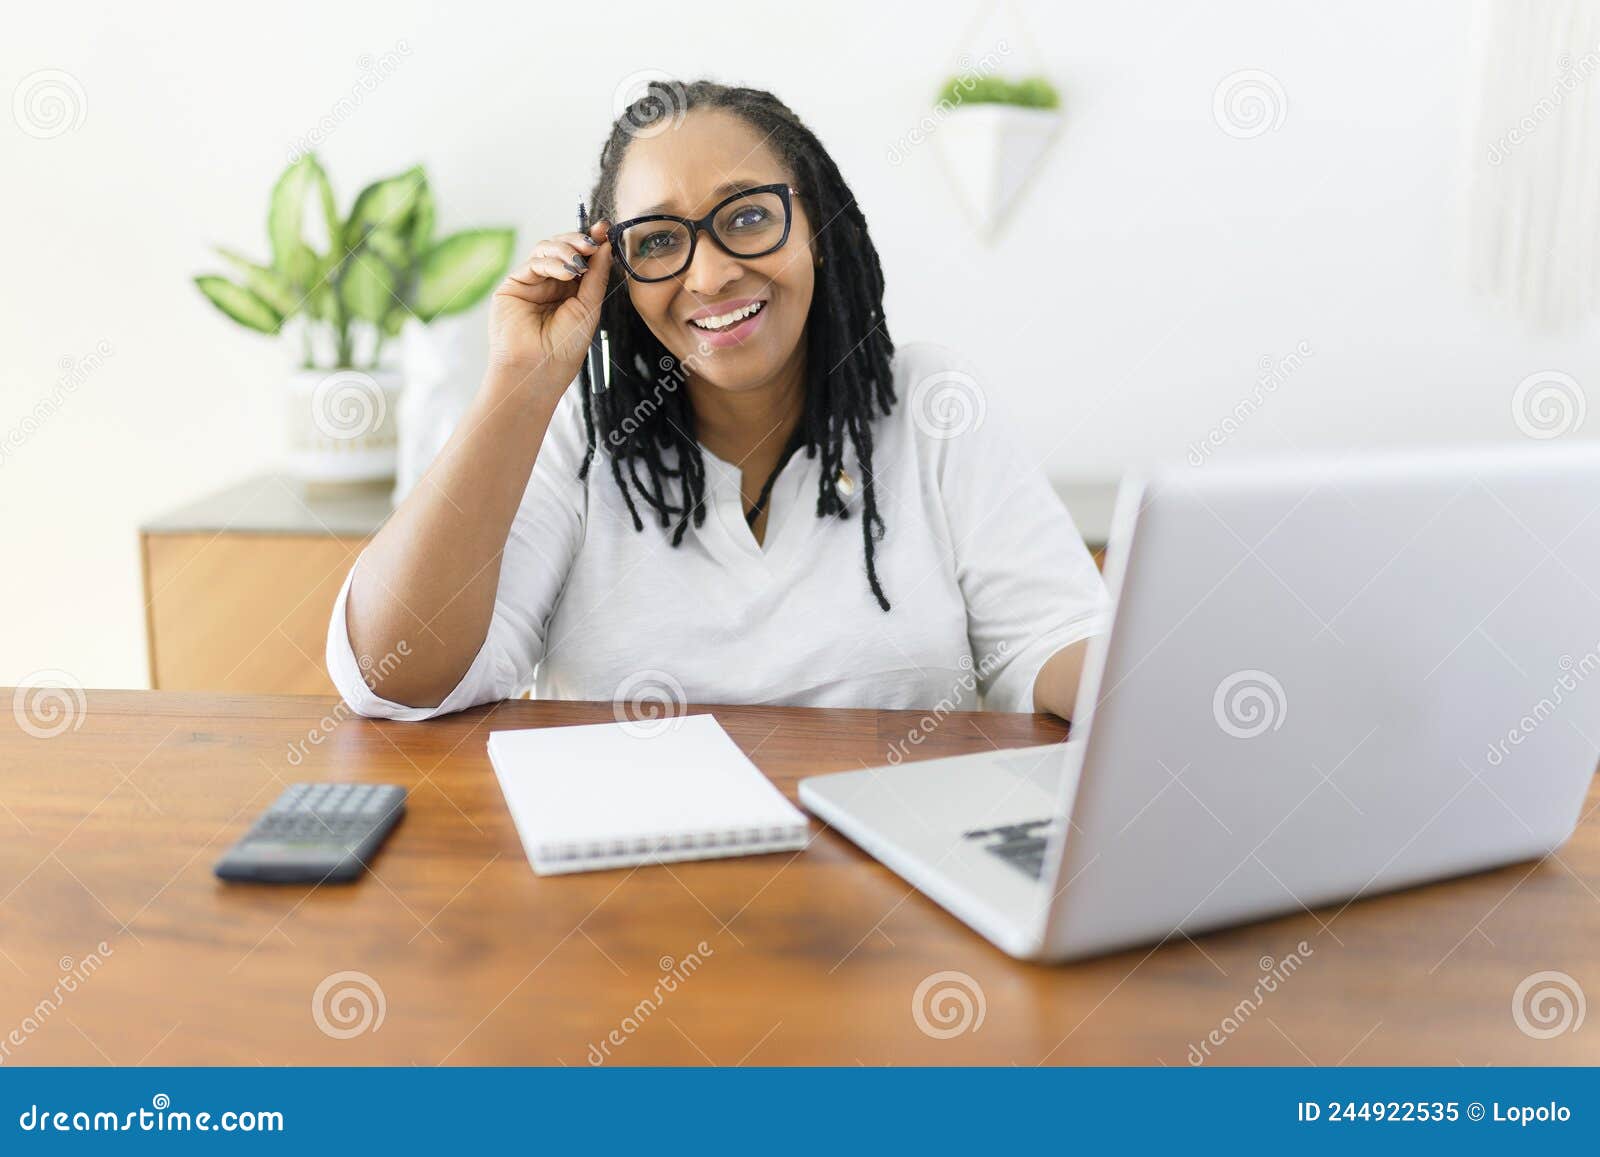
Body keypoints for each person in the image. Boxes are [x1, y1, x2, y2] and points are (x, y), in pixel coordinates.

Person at [328, 80, 1109, 722]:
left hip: (889, 889)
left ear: (819, 227)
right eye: (659, 240)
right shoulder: (579, 434)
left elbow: (1057, 642)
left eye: (748, 217)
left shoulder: (931, 405)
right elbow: (396, 676)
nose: (709, 276)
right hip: (623, 890)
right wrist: (519, 384)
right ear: (618, 276)